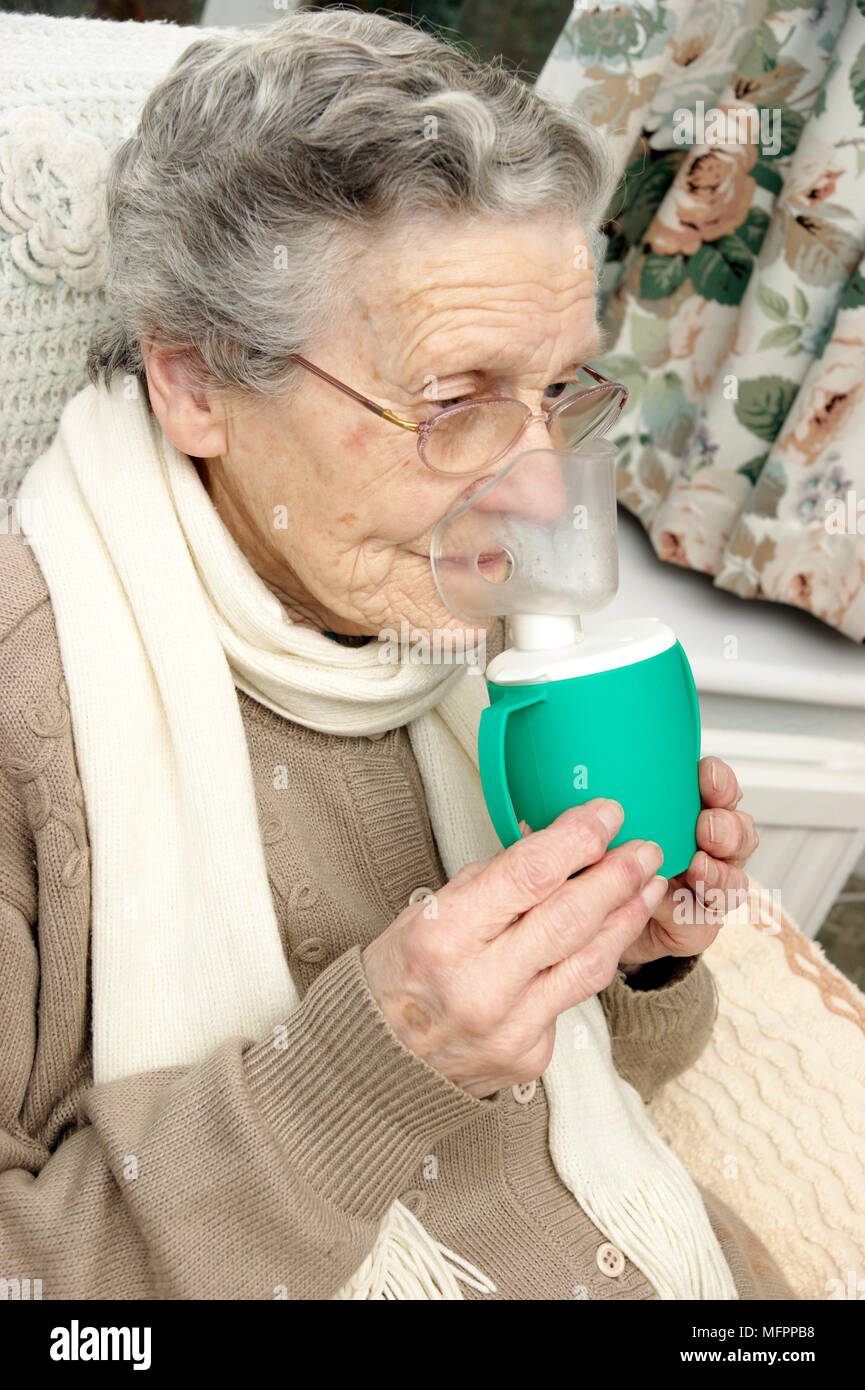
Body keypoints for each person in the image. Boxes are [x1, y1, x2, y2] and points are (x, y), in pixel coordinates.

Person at [0, 9, 793, 1299]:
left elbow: (556, 1122)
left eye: (557, 396)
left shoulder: (446, 624)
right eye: (455, 403)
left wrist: (635, 956)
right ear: (197, 382)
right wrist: (361, 1074)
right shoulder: (29, 714)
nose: (544, 494)